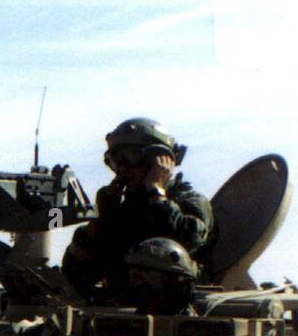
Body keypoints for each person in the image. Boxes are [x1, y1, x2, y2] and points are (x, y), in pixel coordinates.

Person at [63, 118, 213, 302]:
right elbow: (75, 275)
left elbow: (189, 239)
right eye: (116, 160)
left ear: (159, 160)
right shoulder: (121, 212)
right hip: (121, 313)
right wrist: (100, 220)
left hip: (171, 311)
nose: (122, 168)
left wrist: (156, 193)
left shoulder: (189, 201)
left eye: (130, 156)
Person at [124, 238, 199, 315]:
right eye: (136, 277)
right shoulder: (125, 320)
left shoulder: (193, 325)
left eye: (140, 277)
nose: (137, 285)